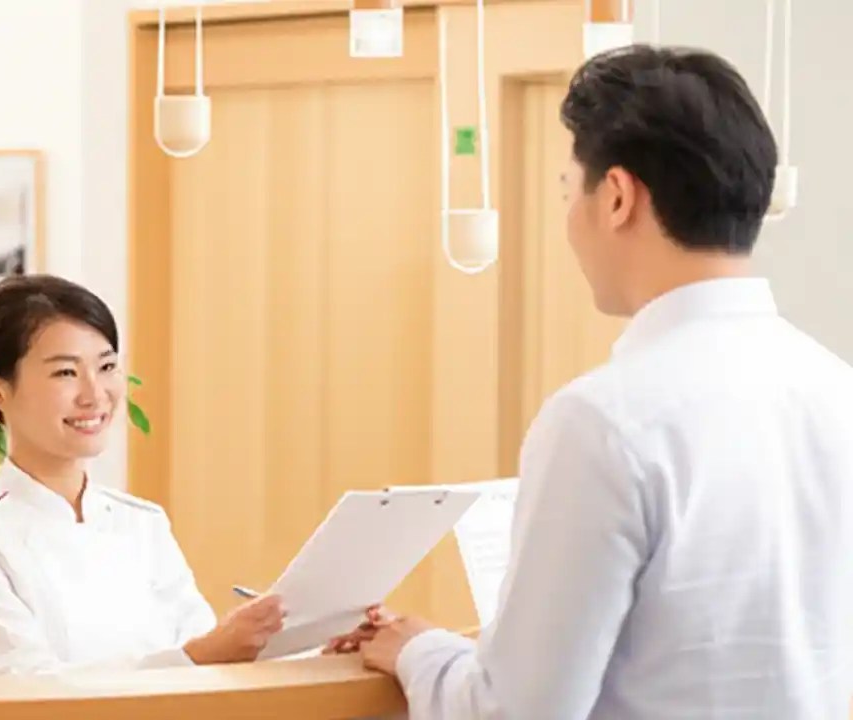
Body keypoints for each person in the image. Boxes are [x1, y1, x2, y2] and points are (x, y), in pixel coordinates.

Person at [346, 45, 853, 718]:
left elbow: (521, 711)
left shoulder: (603, 421)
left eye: (567, 190)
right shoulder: (833, 387)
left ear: (616, 196)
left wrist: (419, 650)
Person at [0, 274, 284, 675]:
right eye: (65, 372)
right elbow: (30, 689)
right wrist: (202, 654)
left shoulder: (143, 523)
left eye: (107, 366)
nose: (94, 395)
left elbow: (207, 662)